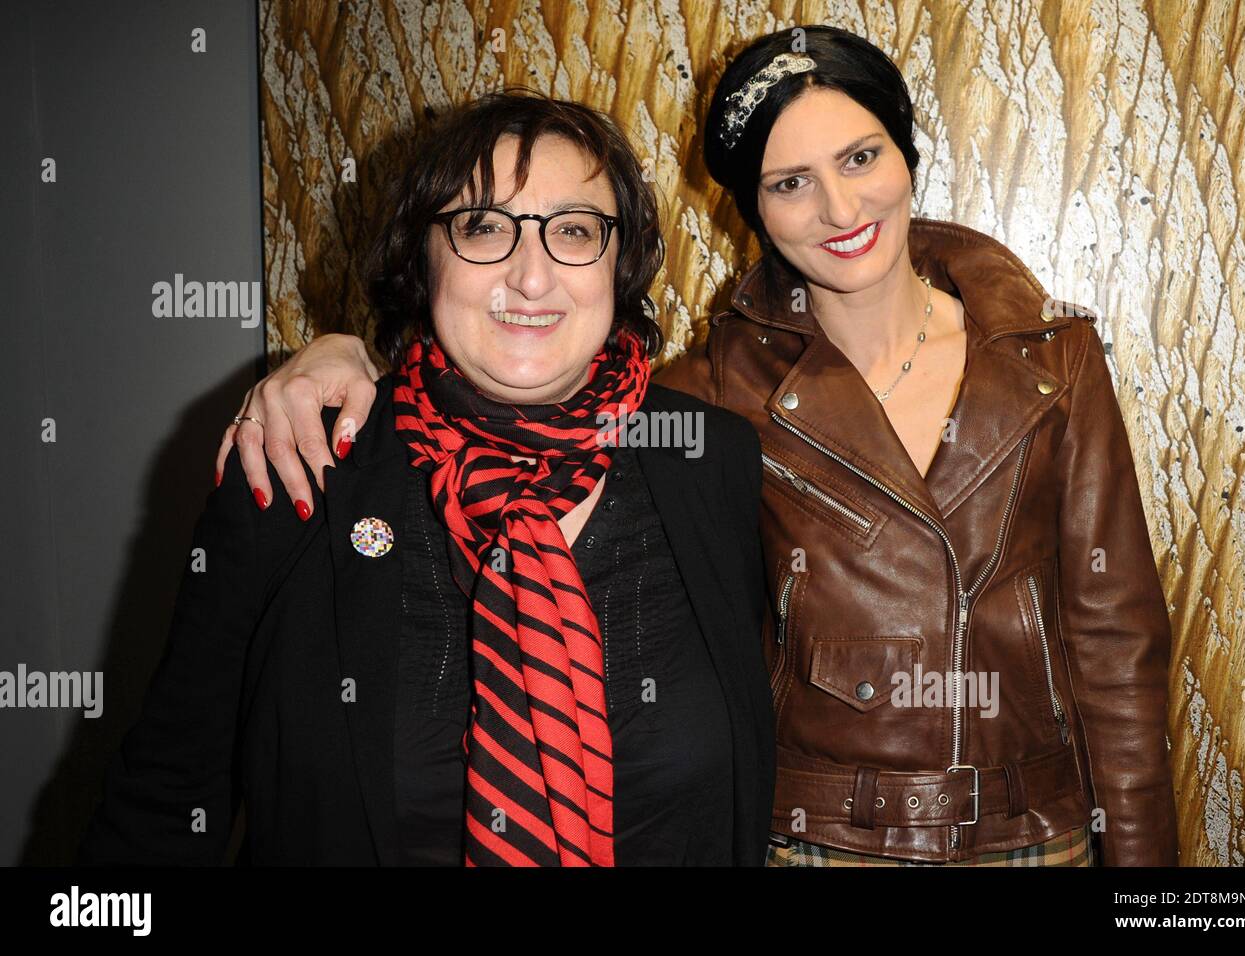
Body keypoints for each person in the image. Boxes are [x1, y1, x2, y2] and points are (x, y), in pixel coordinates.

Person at [217, 27, 1179, 867]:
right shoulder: (706, 401)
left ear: (907, 152)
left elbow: (1117, 643)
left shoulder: (1052, 361)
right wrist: (351, 358)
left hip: (1036, 830)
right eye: (790, 183)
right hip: (813, 839)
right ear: (751, 210)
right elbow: (515, 377)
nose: (840, 211)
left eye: (861, 157)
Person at [80, 90, 775, 866]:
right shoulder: (299, 461)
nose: (532, 276)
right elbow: (164, 804)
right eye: (483, 227)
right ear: (423, 256)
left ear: (623, 261)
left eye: (574, 230)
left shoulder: (710, 463)